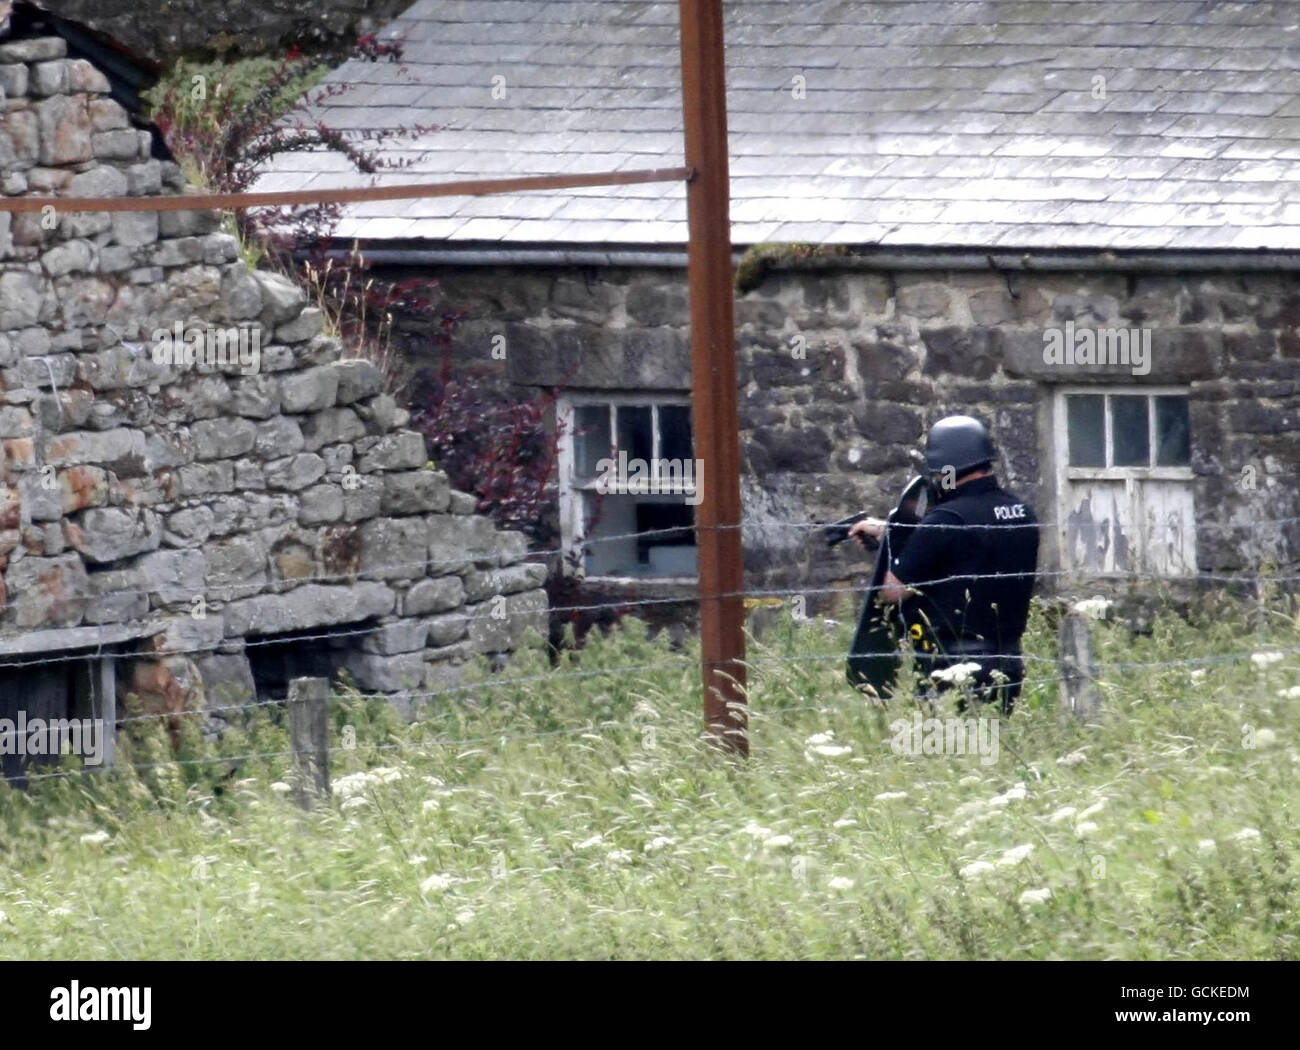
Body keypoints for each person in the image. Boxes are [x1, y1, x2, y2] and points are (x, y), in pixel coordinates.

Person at [848, 415, 1039, 713]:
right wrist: (893, 532)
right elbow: (965, 551)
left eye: (939, 473)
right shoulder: (1021, 511)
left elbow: (892, 592)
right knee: (996, 752)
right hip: (1009, 665)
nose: (938, 480)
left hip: (952, 670)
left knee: (950, 756)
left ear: (950, 468)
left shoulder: (946, 519)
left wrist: (893, 545)